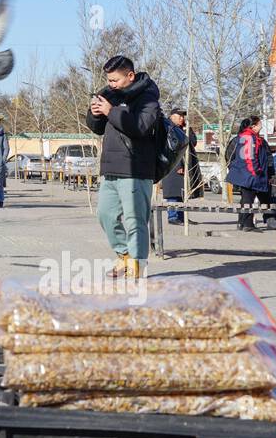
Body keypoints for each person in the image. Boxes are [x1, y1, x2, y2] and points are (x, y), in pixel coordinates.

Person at [85, 55, 161, 278]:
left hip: (136, 168)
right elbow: (97, 128)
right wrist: (95, 114)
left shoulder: (148, 98)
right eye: (108, 80)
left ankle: (136, 268)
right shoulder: (109, 95)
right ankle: (124, 255)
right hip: (110, 168)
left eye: (115, 80)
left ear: (130, 75)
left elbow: (141, 126)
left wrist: (110, 111)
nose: (111, 85)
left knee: (134, 220)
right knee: (105, 215)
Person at [227, 117, 276, 232]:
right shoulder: (249, 139)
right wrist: (247, 171)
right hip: (253, 175)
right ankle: (247, 224)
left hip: (256, 175)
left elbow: (268, 158)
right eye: (260, 124)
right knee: (249, 199)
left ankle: (265, 220)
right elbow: (233, 158)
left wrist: (269, 174)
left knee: (261, 198)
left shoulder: (256, 140)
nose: (261, 126)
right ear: (252, 126)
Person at [160, 108, 201, 224]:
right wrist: (177, 166)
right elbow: (171, 149)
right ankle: (172, 217)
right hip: (173, 165)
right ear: (172, 116)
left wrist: (188, 128)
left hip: (185, 164)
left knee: (182, 192)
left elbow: (193, 142)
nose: (182, 118)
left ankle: (182, 216)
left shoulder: (183, 129)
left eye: (183, 116)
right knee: (173, 192)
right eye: (180, 116)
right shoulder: (168, 128)